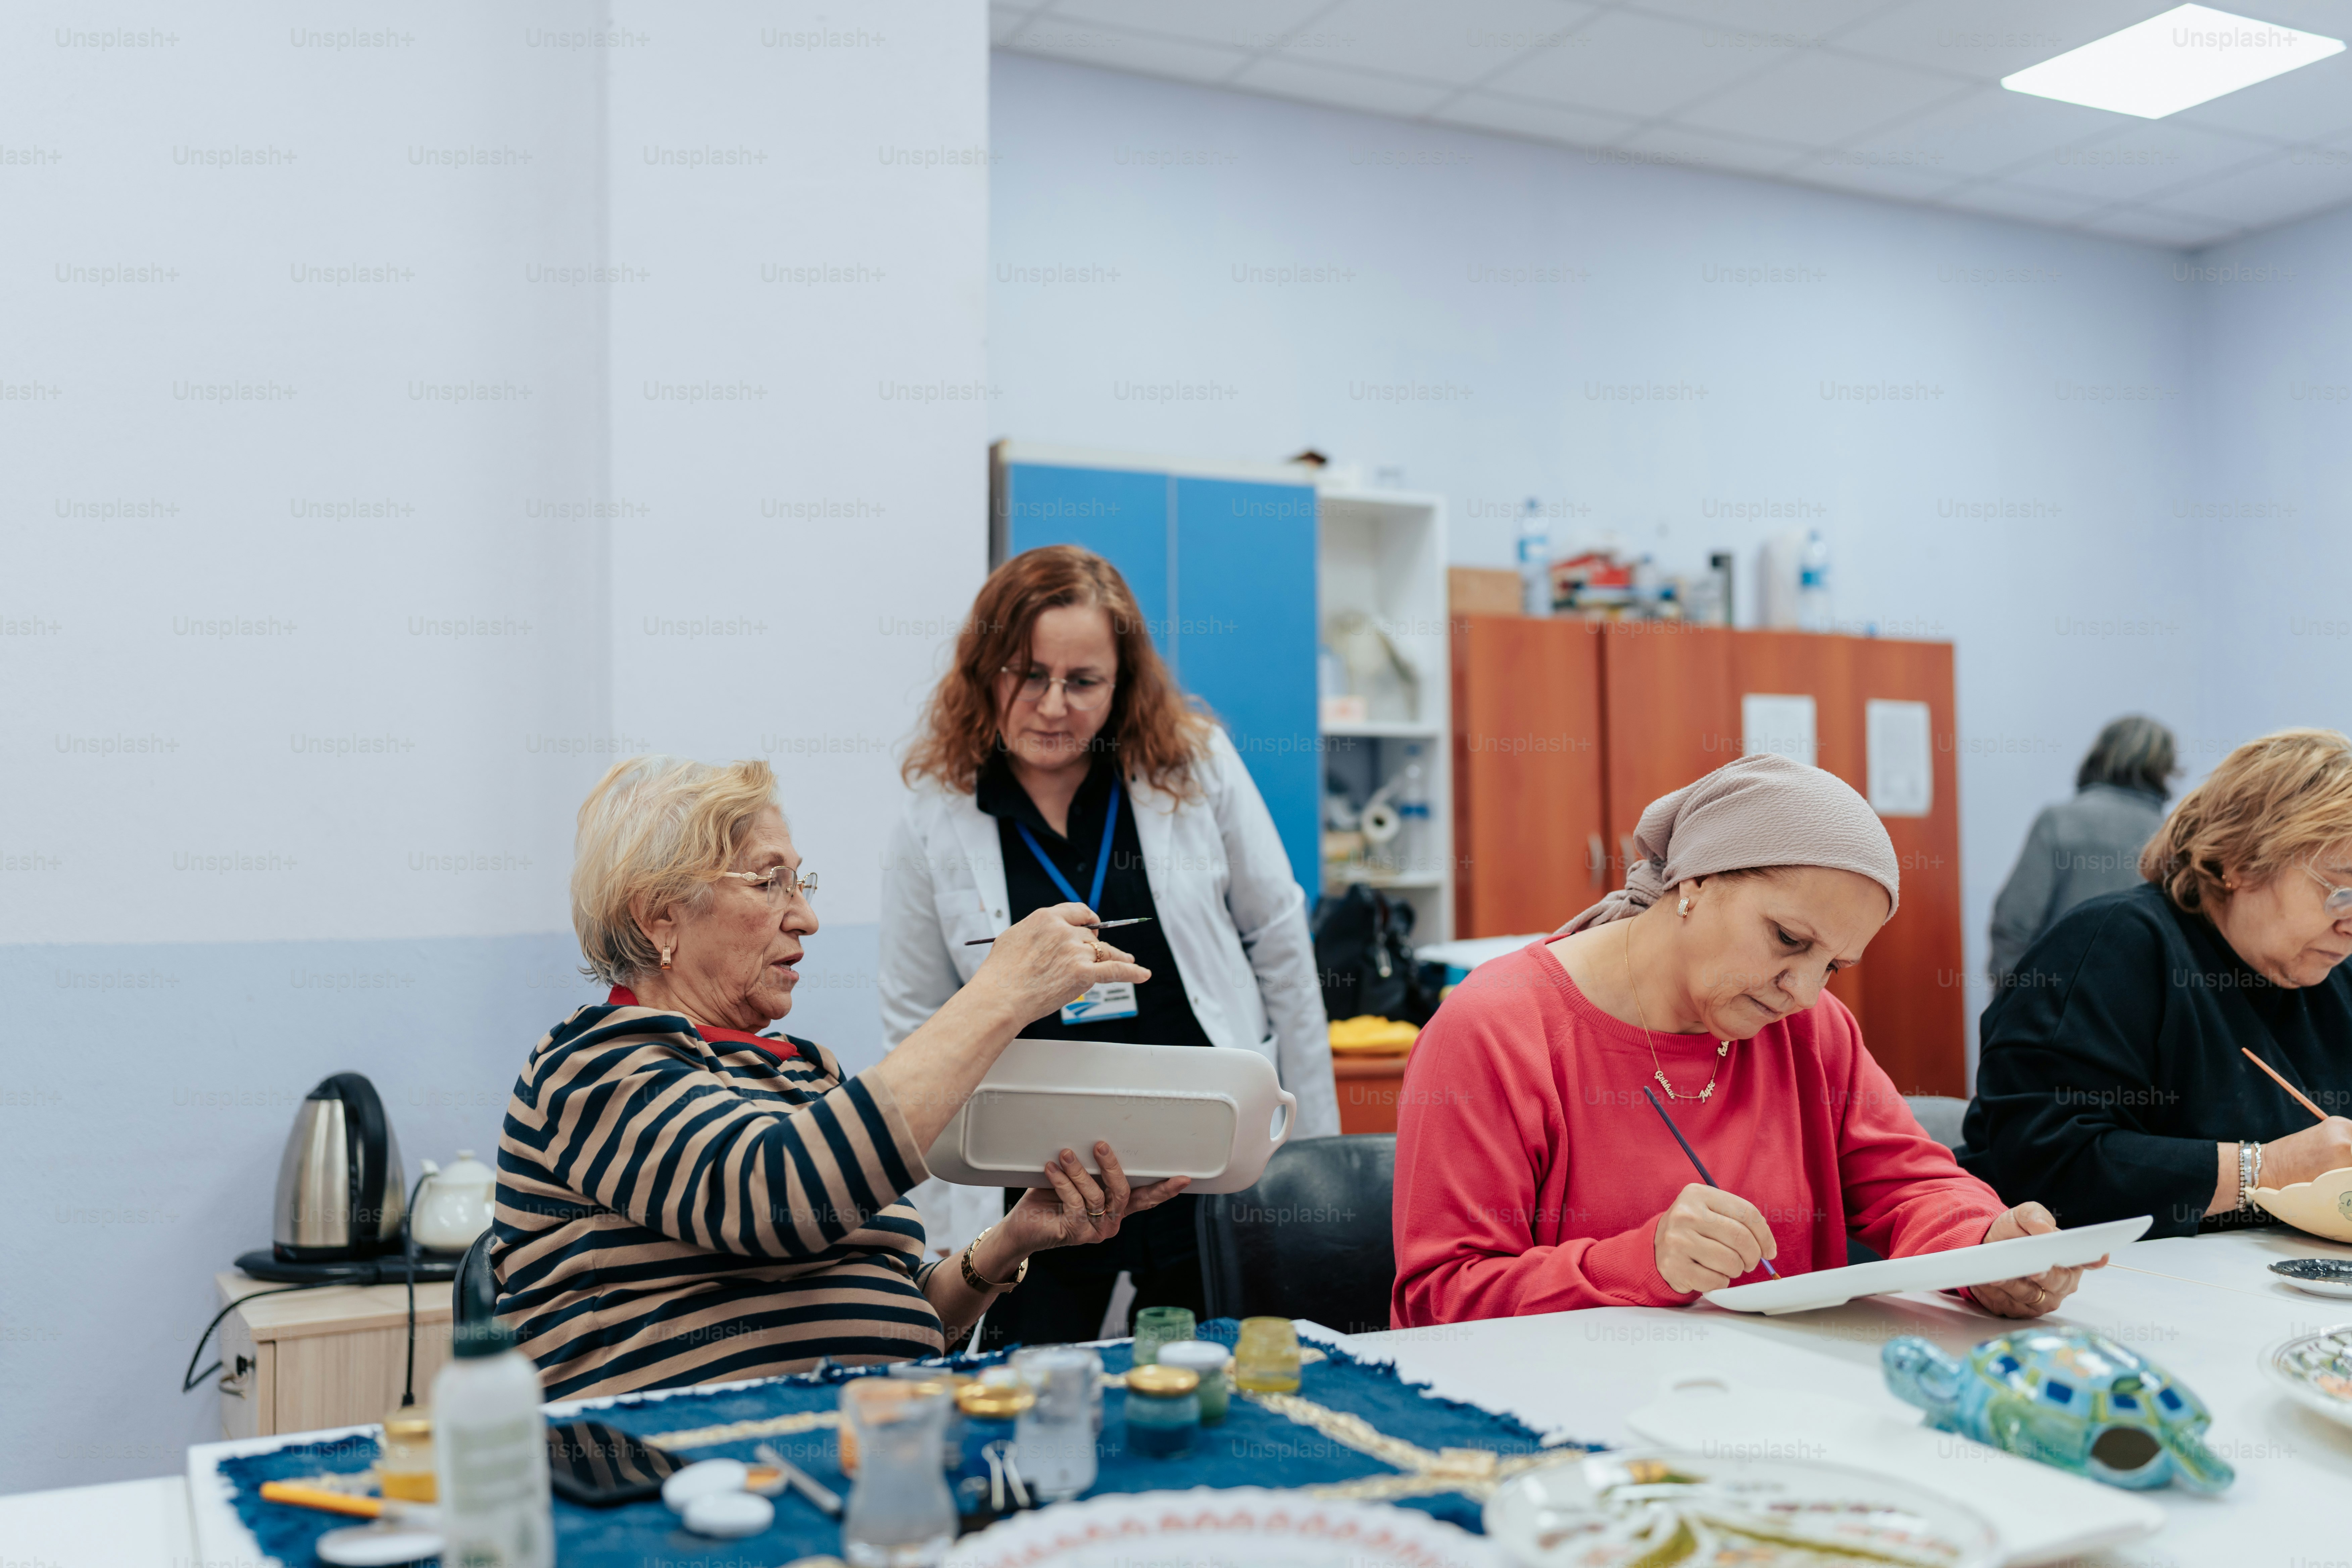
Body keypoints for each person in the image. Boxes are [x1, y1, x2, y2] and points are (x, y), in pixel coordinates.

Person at [494, 755, 1190, 1400]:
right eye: (771, 883)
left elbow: (895, 1307)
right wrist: (1002, 992)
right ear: (660, 917)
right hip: (684, 1476)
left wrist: (1012, 1240)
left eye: (801, 883)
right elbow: (777, 1198)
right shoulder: (589, 1063)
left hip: (874, 1437)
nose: (808, 917)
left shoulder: (806, 1072)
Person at [1392, 753, 2094, 1326]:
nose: (1805, 990)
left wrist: (1987, 1248)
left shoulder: (1809, 1029)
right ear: (1695, 879)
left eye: (1834, 966)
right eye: (1789, 939)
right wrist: (1641, 1263)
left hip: (1773, 1417)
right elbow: (1440, 1299)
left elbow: (1911, 1184)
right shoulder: (1496, 1030)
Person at [883, 544, 1337, 1348]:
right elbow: (918, 1024)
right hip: (1036, 1176)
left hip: (1201, 1152)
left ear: (1122, 683)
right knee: (1027, 1393)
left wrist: (1311, 1152)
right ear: (984, 669)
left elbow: (1279, 942)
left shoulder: (1191, 767)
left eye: (1083, 680)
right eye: (1026, 673)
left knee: (1218, 1376)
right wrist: (951, 1226)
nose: (1053, 704)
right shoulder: (935, 815)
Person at [1960, 729, 2352, 1235]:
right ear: (2239, 861)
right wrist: (2264, 1170)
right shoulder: (2114, 946)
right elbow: (2049, 1165)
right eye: (2340, 891)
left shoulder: (2335, 981)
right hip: (2067, 1283)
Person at [1988, 716, 2176, 986]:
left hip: (2053, 1005)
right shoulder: (2170, 837)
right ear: (2164, 770)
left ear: (2100, 755)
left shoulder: (2058, 821)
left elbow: (2014, 922)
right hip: (2137, 1010)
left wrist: (2012, 1006)